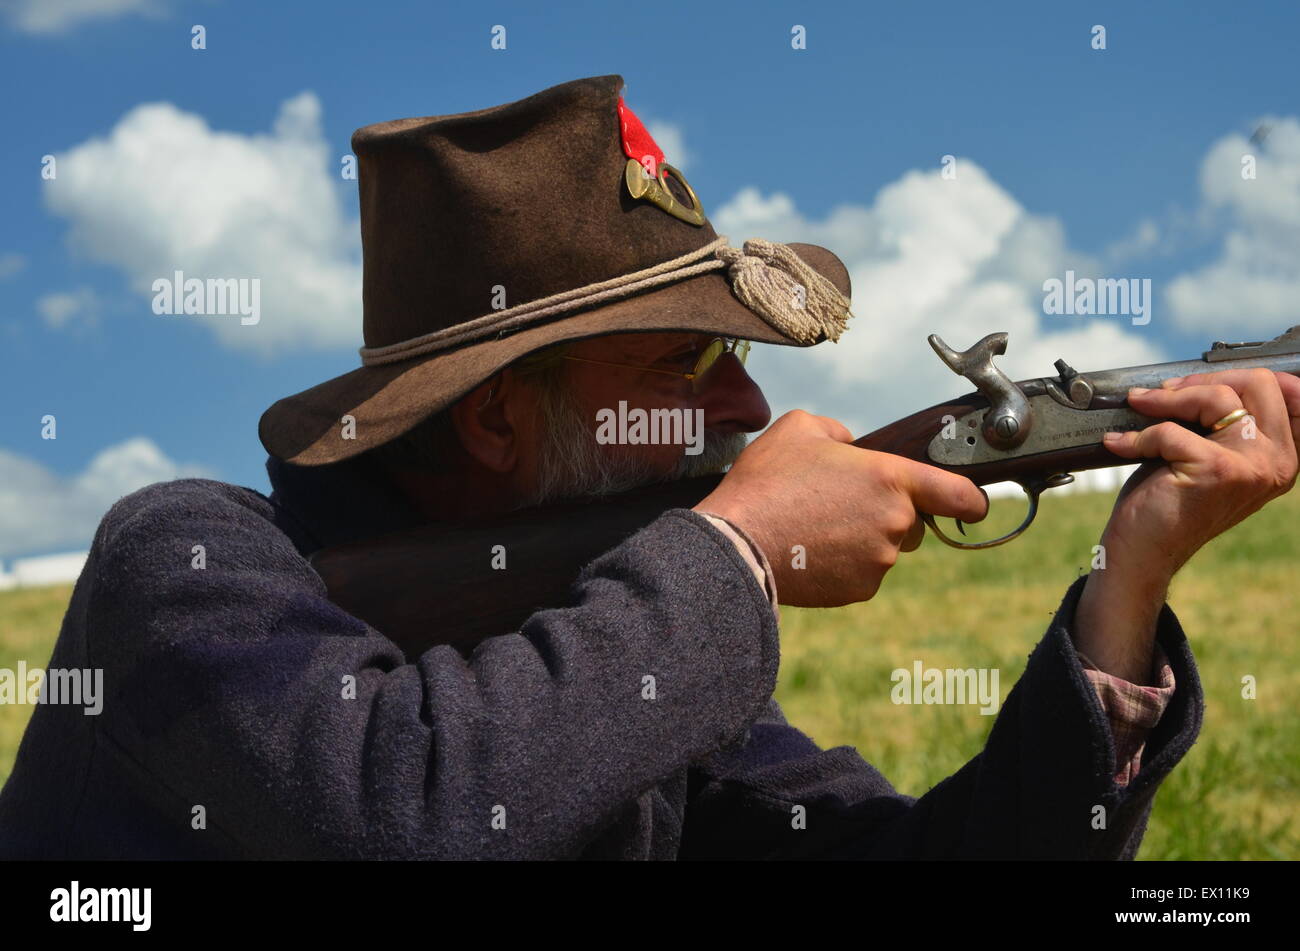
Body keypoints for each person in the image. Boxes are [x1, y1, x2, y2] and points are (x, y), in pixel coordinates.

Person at [2, 75, 1296, 860]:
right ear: (502, 418)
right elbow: (401, 818)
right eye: (686, 367)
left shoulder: (619, 651)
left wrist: (1128, 589)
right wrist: (736, 551)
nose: (751, 402)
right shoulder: (188, 562)